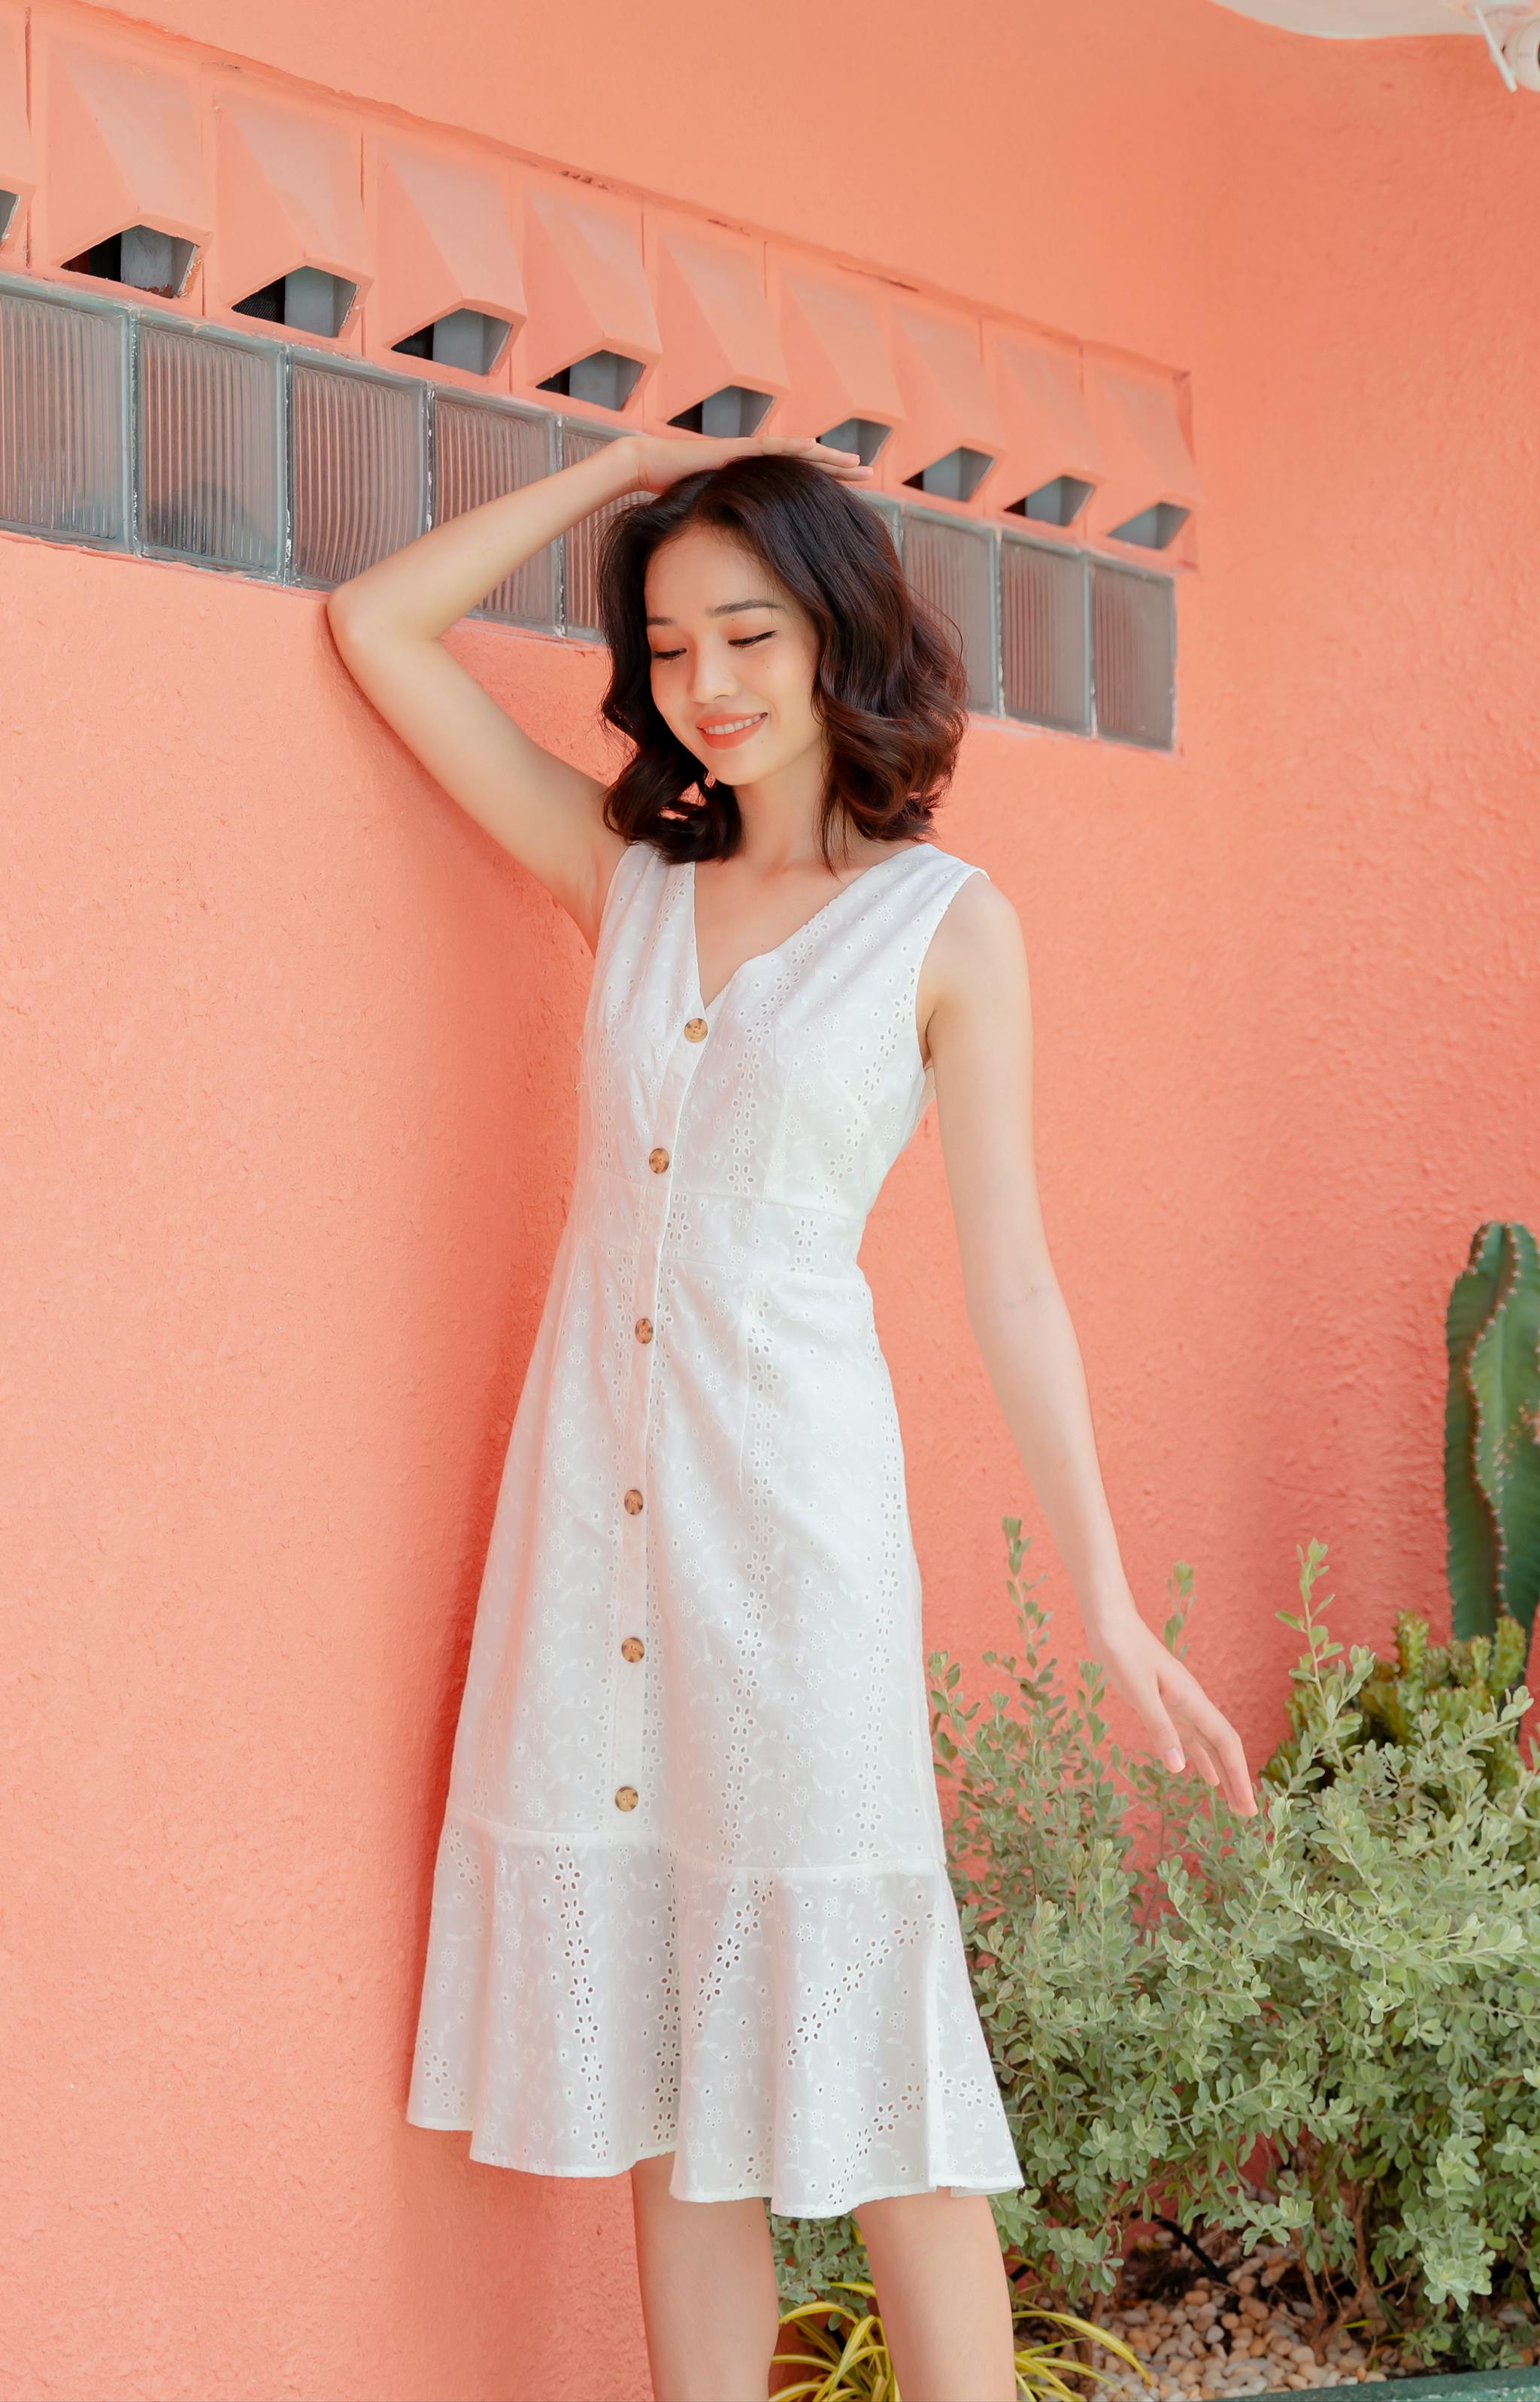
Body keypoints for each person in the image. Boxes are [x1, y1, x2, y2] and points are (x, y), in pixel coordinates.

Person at [326, 431, 1257, 2402]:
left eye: (747, 630)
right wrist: (606, 474)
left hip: (797, 1540)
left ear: (840, 635)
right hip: (598, 1533)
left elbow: (1012, 1275)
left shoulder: (945, 926)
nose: (707, 682)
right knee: (676, 2082)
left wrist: (1102, 1593)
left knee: (884, 2082)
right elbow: (377, 627)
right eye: (667, 644)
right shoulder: (626, 876)